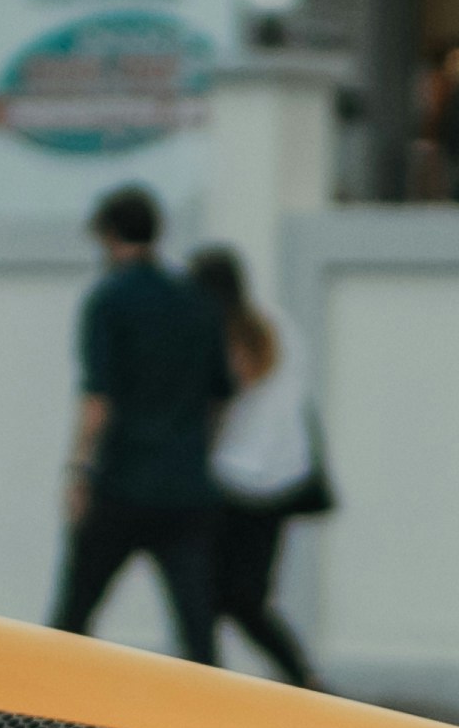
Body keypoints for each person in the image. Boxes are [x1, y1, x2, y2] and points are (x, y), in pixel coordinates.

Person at [53, 186, 231, 661]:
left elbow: (99, 400)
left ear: (109, 234)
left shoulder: (109, 300)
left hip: (122, 481)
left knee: (72, 618)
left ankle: (49, 719)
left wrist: (78, 471)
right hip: (186, 486)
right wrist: (198, 449)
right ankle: (209, 727)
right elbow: (220, 397)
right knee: (197, 632)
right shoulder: (197, 300)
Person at [185, 245, 324, 688]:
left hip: (231, 479)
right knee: (246, 600)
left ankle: (210, 690)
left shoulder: (224, 333)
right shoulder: (280, 326)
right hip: (282, 479)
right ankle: (302, 680)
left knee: (211, 597)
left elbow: (220, 402)